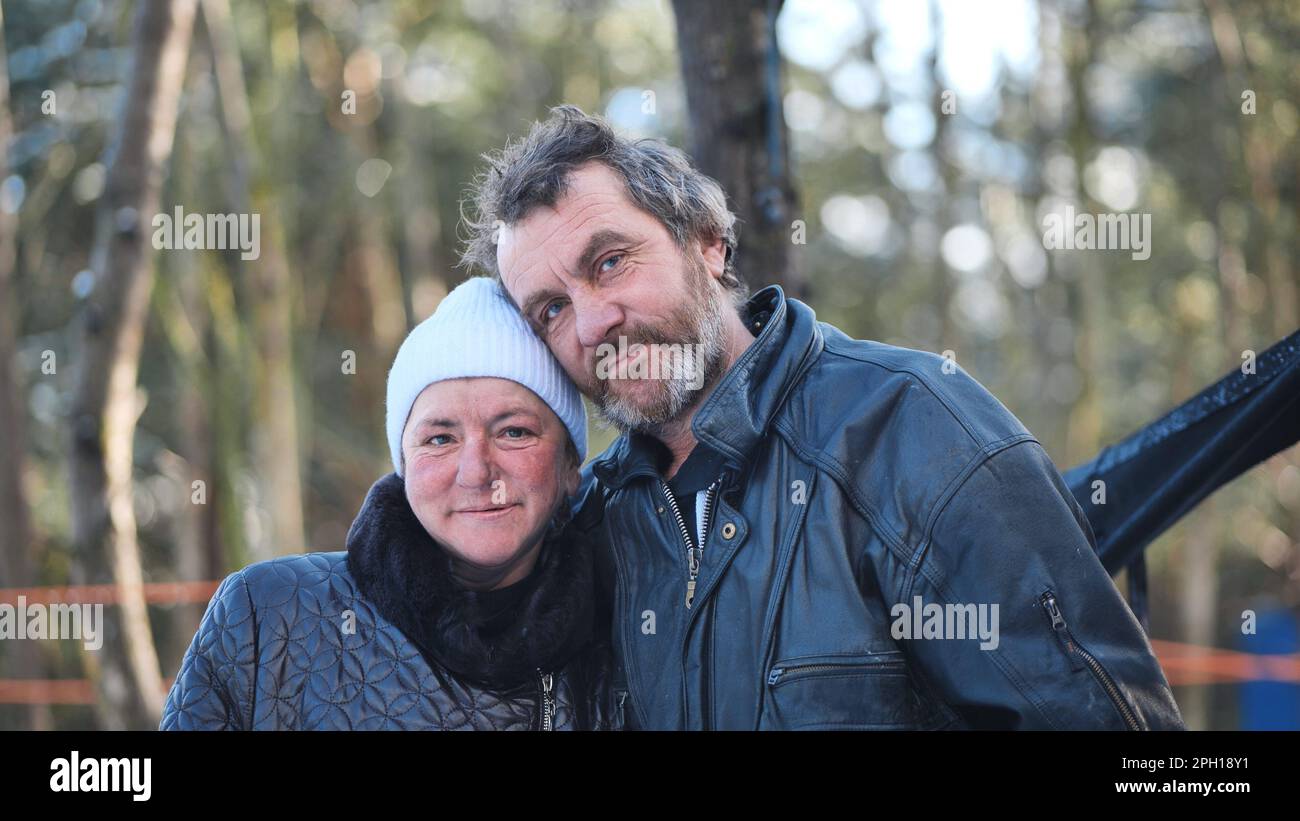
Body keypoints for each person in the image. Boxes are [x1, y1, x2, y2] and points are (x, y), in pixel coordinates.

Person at [462, 104, 1187, 730]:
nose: (592, 324)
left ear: (707, 243)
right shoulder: (597, 522)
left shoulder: (914, 431)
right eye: (551, 309)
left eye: (611, 261)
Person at [160, 276, 623, 730]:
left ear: (568, 466)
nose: (476, 471)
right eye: (440, 438)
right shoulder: (267, 616)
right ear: (404, 466)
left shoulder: (633, 628)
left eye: (514, 432)